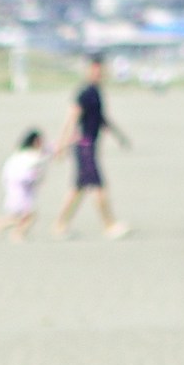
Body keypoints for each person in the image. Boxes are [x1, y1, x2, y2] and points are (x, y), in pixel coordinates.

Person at [55, 55, 132, 237]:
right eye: (95, 70)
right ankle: (109, 225)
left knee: (78, 189)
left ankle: (59, 225)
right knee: (99, 187)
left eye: (101, 70)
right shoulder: (85, 92)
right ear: (89, 71)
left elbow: (101, 118)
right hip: (84, 146)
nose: (98, 73)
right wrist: (62, 144)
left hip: (89, 145)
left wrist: (118, 136)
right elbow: (72, 118)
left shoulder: (97, 91)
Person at [0, 128, 46, 240]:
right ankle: (15, 233)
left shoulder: (19, 154)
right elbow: (36, 165)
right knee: (29, 216)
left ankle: (6, 227)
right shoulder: (30, 156)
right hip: (20, 188)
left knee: (21, 215)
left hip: (16, 187)